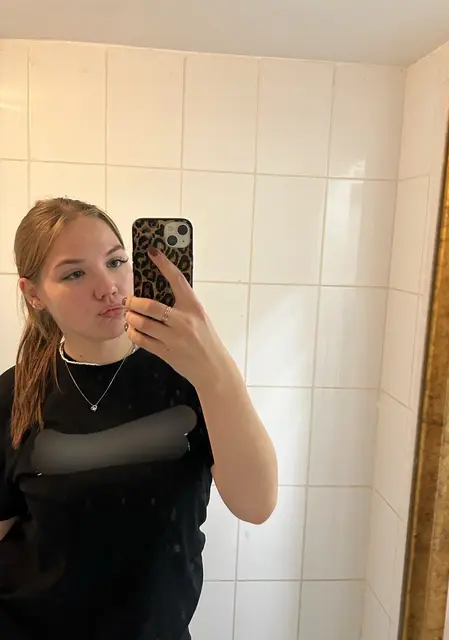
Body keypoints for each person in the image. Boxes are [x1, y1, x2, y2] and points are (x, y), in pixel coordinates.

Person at [0, 198, 278, 640]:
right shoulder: (15, 393)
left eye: (115, 262)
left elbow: (256, 504)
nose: (108, 287)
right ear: (34, 294)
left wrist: (217, 369)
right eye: (75, 274)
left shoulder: (191, 377)